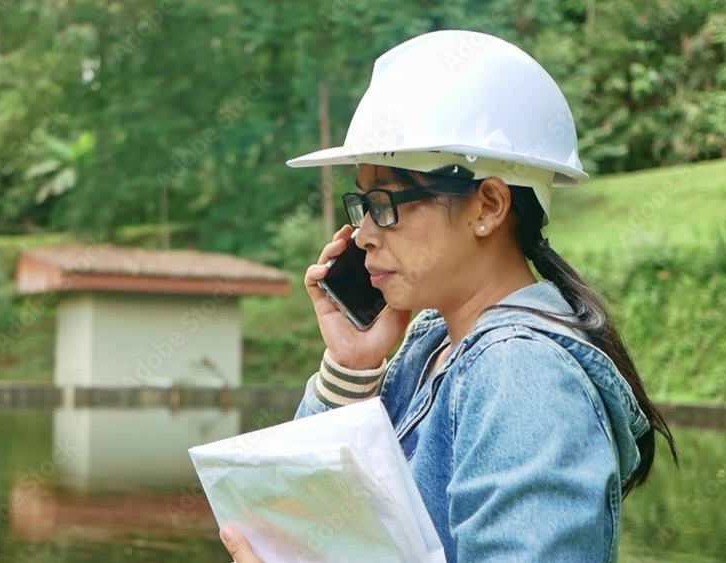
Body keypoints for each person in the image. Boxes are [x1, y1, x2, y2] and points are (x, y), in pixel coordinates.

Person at [220, 29, 677, 562]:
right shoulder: (430, 346)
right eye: (362, 204)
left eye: (387, 201)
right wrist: (351, 366)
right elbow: (302, 517)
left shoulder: (522, 374)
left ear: (488, 207)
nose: (364, 233)